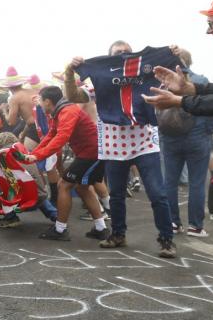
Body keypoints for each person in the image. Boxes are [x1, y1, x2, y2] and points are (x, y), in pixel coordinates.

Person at [71, 40, 180, 257]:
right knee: (117, 195)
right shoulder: (98, 82)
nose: (123, 55)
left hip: (145, 142)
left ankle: (167, 240)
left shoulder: (150, 75)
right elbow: (74, 96)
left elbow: (177, 82)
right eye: (118, 53)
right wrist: (69, 72)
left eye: (127, 52)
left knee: (158, 194)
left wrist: (176, 55)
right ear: (109, 57)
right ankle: (118, 234)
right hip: (113, 147)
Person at [22, 86, 110, 241]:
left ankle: (60, 229)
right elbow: (51, 135)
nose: (39, 106)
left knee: (64, 184)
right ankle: (101, 228)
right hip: (89, 152)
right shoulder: (60, 111)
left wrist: (37, 156)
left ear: (48, 102)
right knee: (82, 188)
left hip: (92, 153)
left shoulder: (67, 111)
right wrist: (33, 154)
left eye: (40, 102)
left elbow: (61, 138)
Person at [154, 50, 213, 238]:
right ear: (189, 61)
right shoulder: (201, 81)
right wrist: (208, 131)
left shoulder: (163, 83)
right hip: (197, 137)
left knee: (169, 182)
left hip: (170, 138)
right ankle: (195, 226)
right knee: (197, 183)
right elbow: (212, 108)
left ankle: (173, 223)